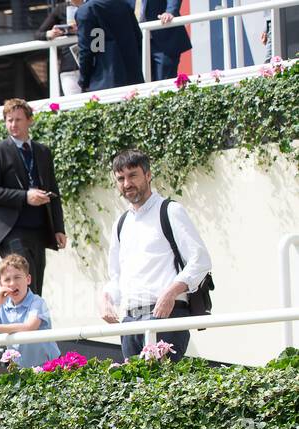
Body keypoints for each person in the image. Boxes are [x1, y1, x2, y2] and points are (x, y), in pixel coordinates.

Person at [101, 148, 210, 363]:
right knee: (135, 392)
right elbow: (117, 277)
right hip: (130, 321)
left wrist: (171, 292)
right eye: (120, 178)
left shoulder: (170, 211)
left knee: (162, 391)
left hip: (166, 315)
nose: (127, 184)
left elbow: (201, 260)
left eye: (133, 175)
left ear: (148, 175)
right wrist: (105, 298)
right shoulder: (120, 224)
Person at [0, 99, 67, 297]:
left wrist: (59, 228)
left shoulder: (42, 151)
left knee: (35, 287)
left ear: (30, 121)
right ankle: (23, 326)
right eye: (9, 120)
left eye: (18, 120)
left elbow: (53, 190)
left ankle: (33, 325)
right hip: (10, 231)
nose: (13, 125)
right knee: (21, 285)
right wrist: (25, 196)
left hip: (38, 230)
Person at [0, 254, 62, 369]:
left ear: (28, 279)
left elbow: (29, 327)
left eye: (17, 277)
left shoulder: (38, 302)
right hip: (22, 370)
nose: (12, 283)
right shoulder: (2, 306)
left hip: (49, 366)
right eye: (7, 279)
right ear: (1, 285)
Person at [73, 0, 143, 92]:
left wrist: (84, 81)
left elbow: (86, 51)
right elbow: (138, 37)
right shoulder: (124, 5)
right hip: (133, 79)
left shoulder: (86, 10)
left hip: (103, 84)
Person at [125, 0, 190, 81]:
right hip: (135, 43)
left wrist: (170, 12)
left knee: (164, 85)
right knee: (139, 86)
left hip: (163, 39)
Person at [36, 2, 82, 96]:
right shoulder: (61, 8)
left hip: (93, 62)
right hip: (69, 66)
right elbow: (38, 34)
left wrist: (82, 28)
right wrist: (50, 34)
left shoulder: (92, 4)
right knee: (73, 103)